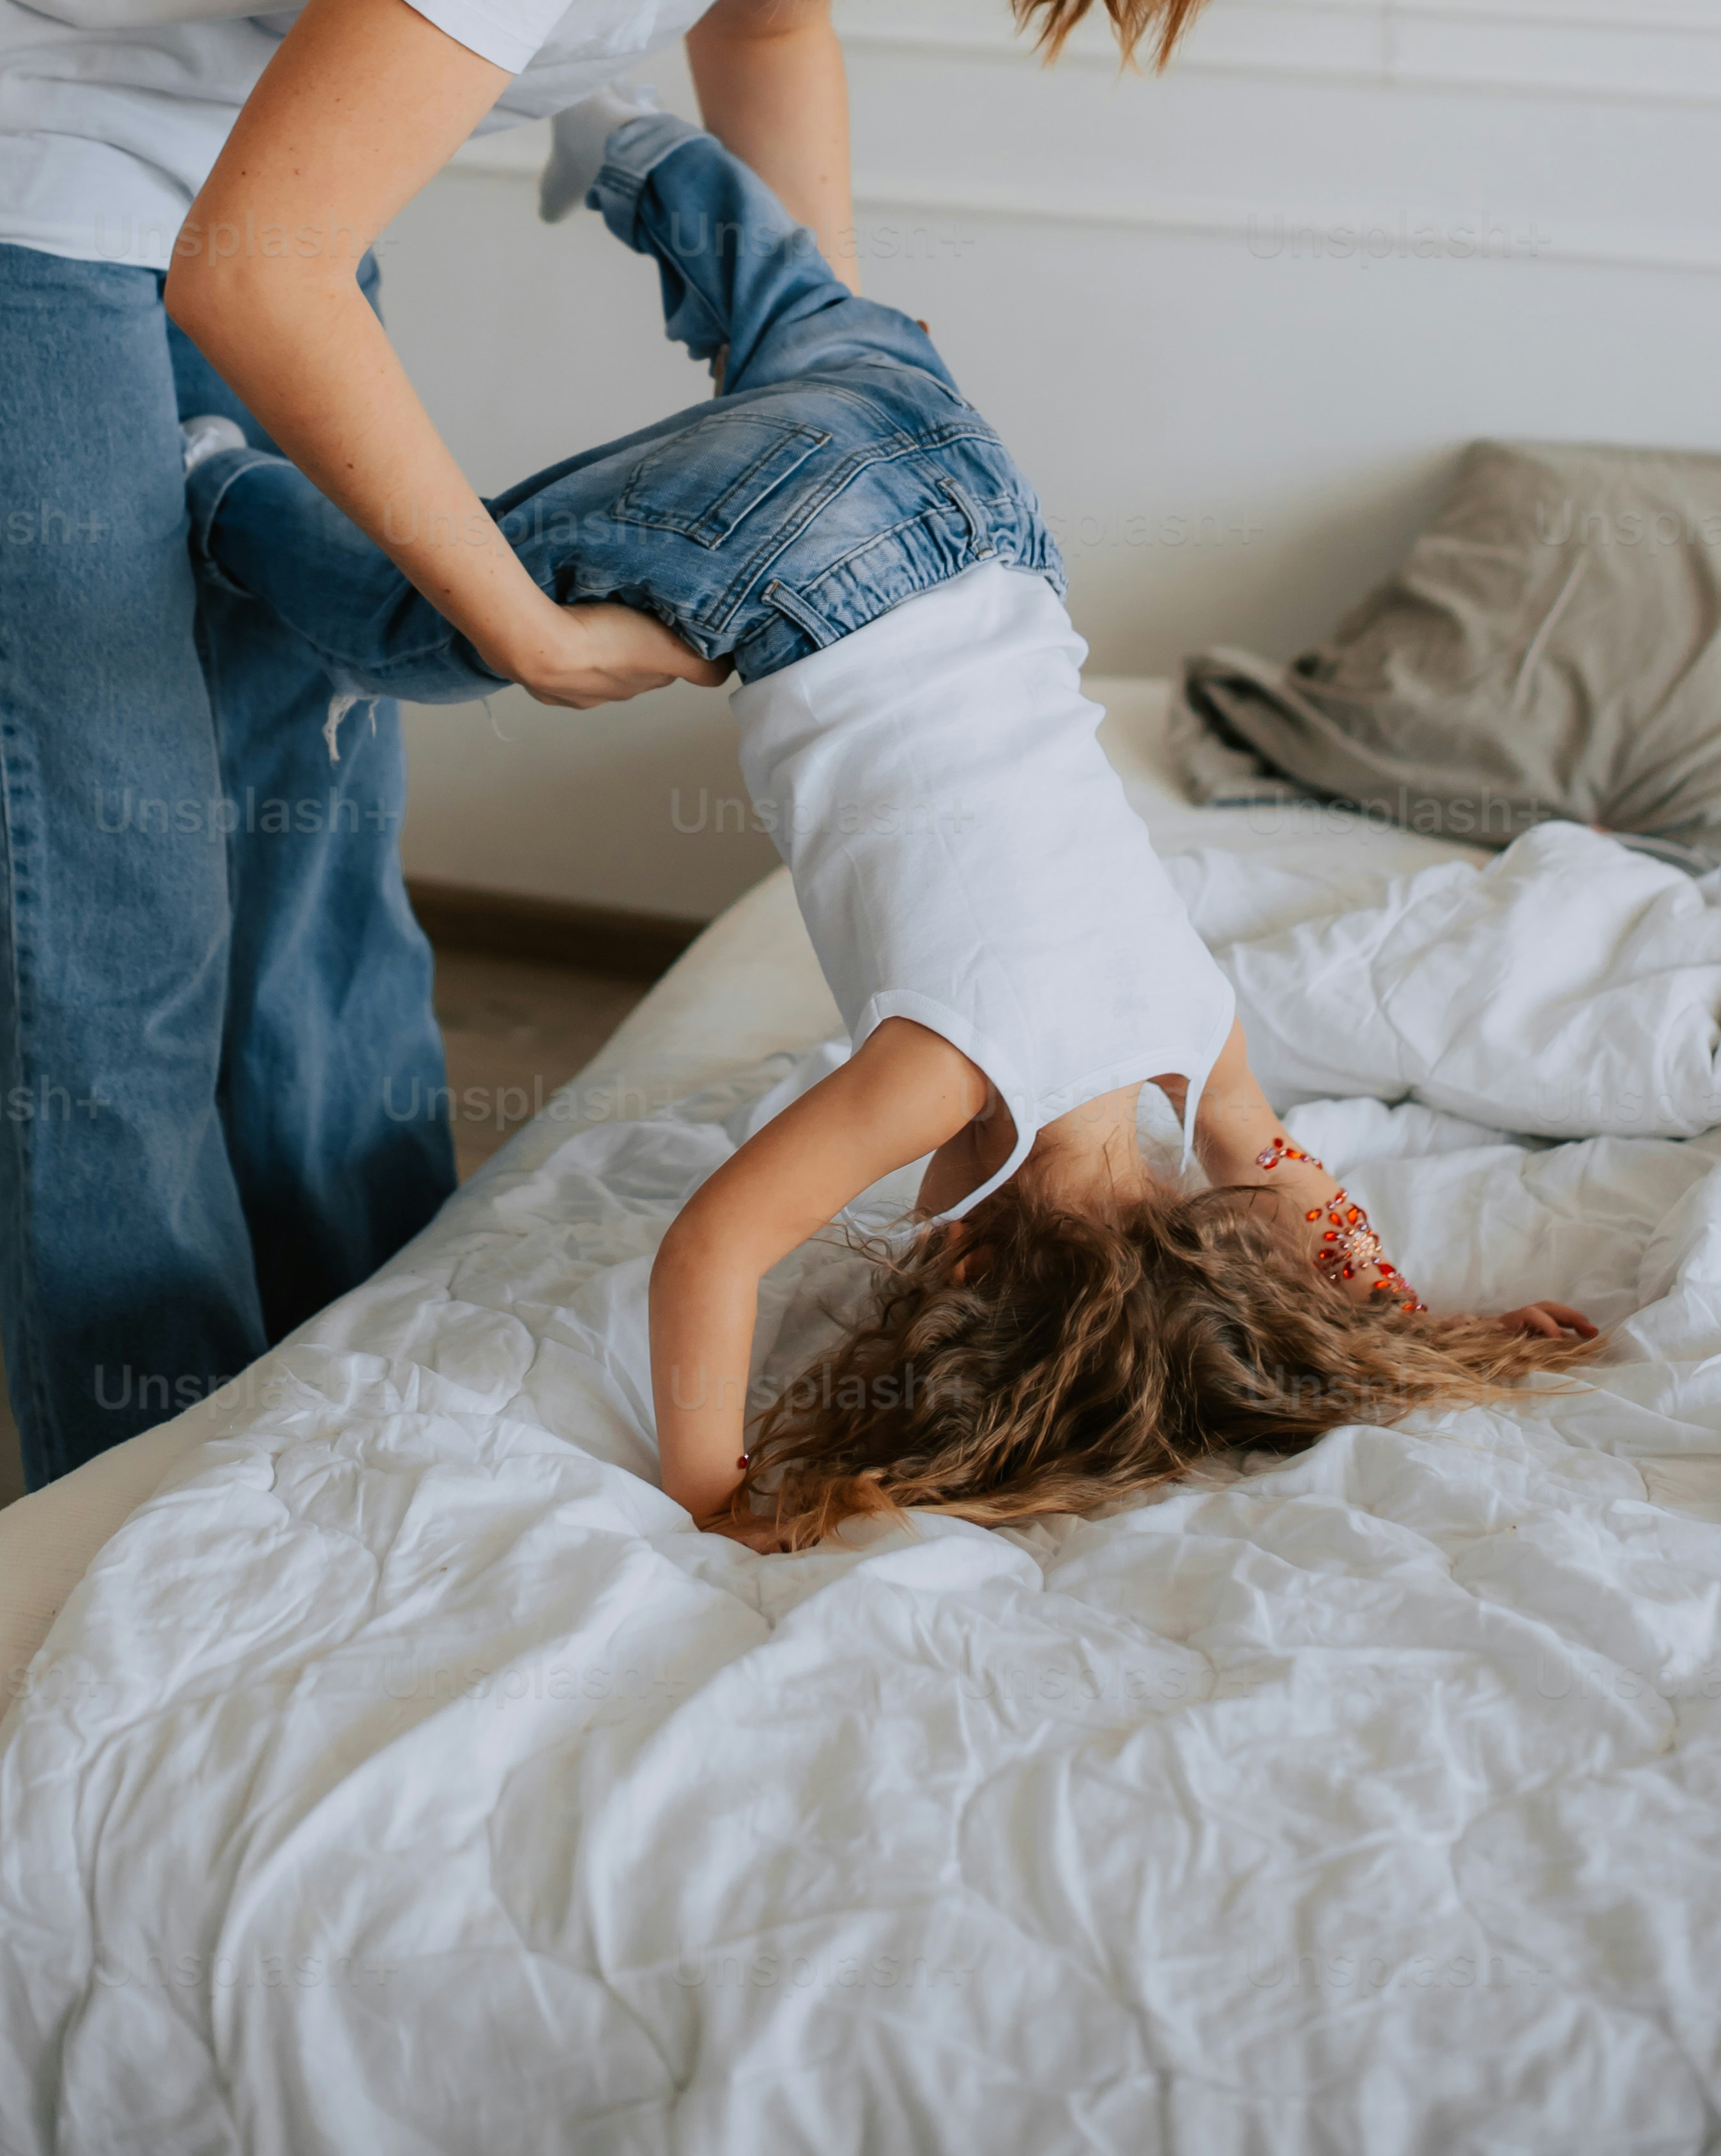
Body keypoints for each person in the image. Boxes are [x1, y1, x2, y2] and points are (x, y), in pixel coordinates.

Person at [0, 0, 1315, 1484]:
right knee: (125, 910)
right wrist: (516, 618)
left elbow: (765, 12)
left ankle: (353, 1414)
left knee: (312, 857)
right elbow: (260, 270)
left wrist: (821, 392)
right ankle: (132, 1510)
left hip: (255, 161)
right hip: (13, 146)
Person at [181, 94, 1600, 1543]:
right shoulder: (947, 1066)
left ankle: (633, 148)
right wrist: (714, 1494)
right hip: (784, 554)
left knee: (801, 308)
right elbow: (713, 1253)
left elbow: (1281, 1172)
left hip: (969, 485)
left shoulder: (1188, 1023)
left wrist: (1414, 1327)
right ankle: (215, 483)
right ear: (970, 1254)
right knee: (424, 619)